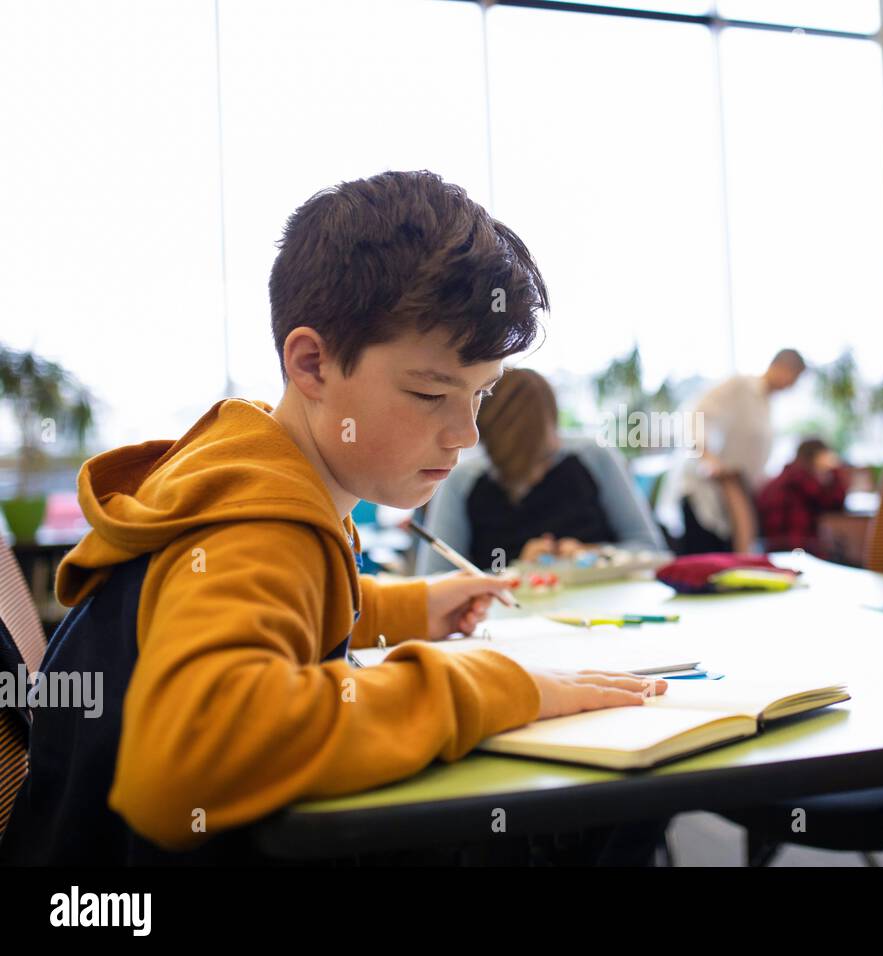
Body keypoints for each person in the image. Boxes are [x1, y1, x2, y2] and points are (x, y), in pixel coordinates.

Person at [0, 171, 664, 865]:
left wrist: (408, 608)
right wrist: (495, 686)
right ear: (311, 362)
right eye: (431, 391)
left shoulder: (255, 469)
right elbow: (191, 754)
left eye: (481, 395)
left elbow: (279, 607)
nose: (466, 432)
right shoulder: (258, 526)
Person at [416, 368, 666, 572]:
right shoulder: (464, 481)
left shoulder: (592, 457)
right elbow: (436, 580)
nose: (534, 477)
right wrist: (516, 569)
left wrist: (595, 554)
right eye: (517, 463)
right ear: (489, 444)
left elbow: (652, 549)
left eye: (544, 457)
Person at [660, 348, 806, 554]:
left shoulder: (767, 405)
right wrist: (707, 457)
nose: (792, 385)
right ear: (780, 366)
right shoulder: (740, 387)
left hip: (735, 496)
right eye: (794, 376)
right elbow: (695, 413)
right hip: (705, 492)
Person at [755, 437, 847, 556]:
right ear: (817, 459)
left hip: (775, 547)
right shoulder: (802, 481)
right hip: (796, 548)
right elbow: (835, 502)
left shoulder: (786, 476)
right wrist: (835, 470)